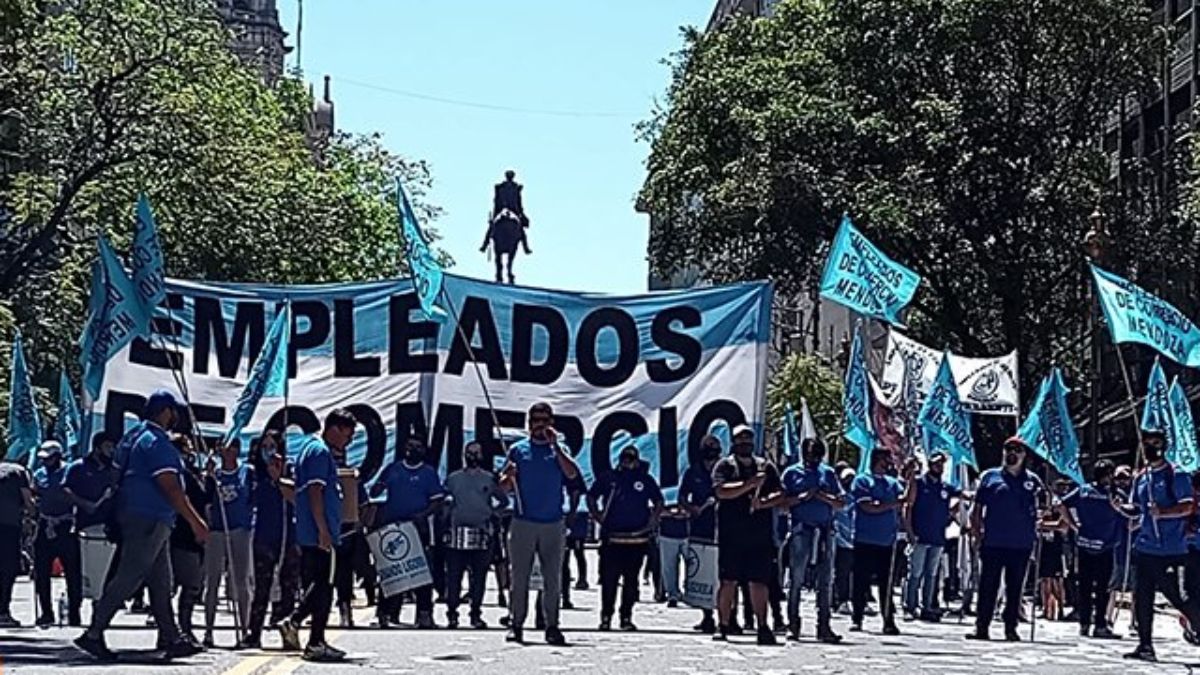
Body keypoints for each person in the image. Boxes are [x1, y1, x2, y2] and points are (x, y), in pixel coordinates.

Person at [74, 389, 209, 661]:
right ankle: (93, 632)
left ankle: (172, 638)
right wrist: (196, 522)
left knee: (162, 582)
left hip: (141, 515)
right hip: (150, 518)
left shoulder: (132, 439)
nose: (176, 417)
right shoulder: (156, 442)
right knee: (129, 575)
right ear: (165, 412)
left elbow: (115, 476)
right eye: (173, 411)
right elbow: (170, 487)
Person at [498, 402, 580, 646]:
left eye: (544, 420)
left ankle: (551, 625)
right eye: (536, 420)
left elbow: (572, 474)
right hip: (524, 521)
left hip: (553, 522)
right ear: (529, 423)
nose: (540, 425)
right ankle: (516, 624)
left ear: (551, 422)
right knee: (519, 577)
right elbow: (502, 487)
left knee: (552, 578)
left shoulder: (559, 449)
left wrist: (555, 445)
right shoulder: (518, 450)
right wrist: (508, 477)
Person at [278, 408, 357, 662]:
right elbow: (314, 492)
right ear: (334, 429)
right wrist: (323, 529)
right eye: (347, 434)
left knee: (320, 584)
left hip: (314, 531)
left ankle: (302, 628)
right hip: (317, 533)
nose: (348, 441)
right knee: (324, 585)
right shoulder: (319, 452)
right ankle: (311, 637)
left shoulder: (312, 450)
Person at [1124, 429, 1200, 662]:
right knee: (1142, 597)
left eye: (1155, 443)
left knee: (1178, 597)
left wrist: (1164, 513)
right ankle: (1145, 645)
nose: (1151, 447)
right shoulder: (1141, 477)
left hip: (1171, 550)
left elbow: (1187, 507)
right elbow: (1137, 508)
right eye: (1147, 443)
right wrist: (1121, 509)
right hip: (1145, 547)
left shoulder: (1175, 475)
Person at [712, 424, 784, 646]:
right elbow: (721, 491)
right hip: (731, 535)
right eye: (740, 439)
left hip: (758, 537)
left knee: (758, 582)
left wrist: (763, 502)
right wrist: (748, 485)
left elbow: (780, 493)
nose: (744, 443)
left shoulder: (765, 467)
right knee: (728, 581)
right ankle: (722, 624)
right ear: (733, 443)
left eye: (748, 439)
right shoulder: (724, 466)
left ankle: (763, 626)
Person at [967, 437, 1043, 642]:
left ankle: (1011, 627)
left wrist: (1040, 521)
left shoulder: (1033, 481)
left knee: (1015, 588)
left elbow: (1042, 507)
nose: (1012, 453)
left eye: (1017, 450)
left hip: (1021, 543)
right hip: (993, 541)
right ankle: (981, 626)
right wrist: (976, 532)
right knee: (988, 586)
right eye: (1008, 449)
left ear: (1024, 455)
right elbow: (977, 508)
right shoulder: (990, 477)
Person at [369, 437, 445, 628]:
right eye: (410, 446)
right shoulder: (393, 469)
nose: (413, 449)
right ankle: (387, 614)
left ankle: (424, 614)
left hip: (417, 529)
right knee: (392, 573)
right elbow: (375, 493)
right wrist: (379, 486)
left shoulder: (428, 473)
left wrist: (423, 515)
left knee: (421, 572)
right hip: (393, 528)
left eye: (417, 447)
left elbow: (437, 501)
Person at [588, 443, 663, 631]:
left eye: (632, 458)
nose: (628, 461)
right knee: (609, 580)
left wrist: (653, 520)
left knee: (631, 581)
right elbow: (591, 496)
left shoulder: (645, 479)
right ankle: (606, 616)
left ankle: (626, 617)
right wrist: (597, 515)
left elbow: (658, 500)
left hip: (637, 538)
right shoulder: (609, 478)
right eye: (625, 457)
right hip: (612, 538)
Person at [780, 437, 845, 643]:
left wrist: (823, 496)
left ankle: (824, 625)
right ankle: (793, 623)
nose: (813, 459)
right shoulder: (792, 473)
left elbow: (840, 503)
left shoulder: (828, 473)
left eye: (817, 455)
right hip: (802, 530)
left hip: (825, 531)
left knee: (825, 581)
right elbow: (782, 503)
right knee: (797, 579)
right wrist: (803, 497)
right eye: (810, 455)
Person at [1059, 459, 1128, 639]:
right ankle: (1099, 625)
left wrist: (1073, 525)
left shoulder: (1083, 490)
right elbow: (1130, 512)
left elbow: (1060, 504)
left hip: (1085, 544)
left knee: (1085, 586)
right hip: (1105, 546)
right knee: (1102, 588)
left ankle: (1084, 624)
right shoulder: (1114, 495)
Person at [444, 441, 506, 629]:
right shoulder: (453, 478)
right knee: (454, 576)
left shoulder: (489, 479)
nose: (473, 456)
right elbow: (445, 501)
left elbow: (503, 500)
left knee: (479, 577)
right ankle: (452, 613)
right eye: (469, 452)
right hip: (457, 533)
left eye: (476, 453)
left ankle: (475, 614)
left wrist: (494, 513)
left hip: (482, 532)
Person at [245, 430, 298, 648]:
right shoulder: (254, 473)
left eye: (272, 446)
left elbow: (296, 497)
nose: (268, 451)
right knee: (261, 588)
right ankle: (253, 633)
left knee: (289, 587)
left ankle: (287, 632)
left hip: (288, 536)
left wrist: (280, 479)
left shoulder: (290, 470)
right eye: (264, 447)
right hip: (264, 536)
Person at [203, 438, 255, 647]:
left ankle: (245, 629)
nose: (230, 451)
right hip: (217, 530)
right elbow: (206, 502)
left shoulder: (247, 473)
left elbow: (252, 499)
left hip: (239, 530)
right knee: (212, 580)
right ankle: (208, 631)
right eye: (225, 447)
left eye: (234, 447)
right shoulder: (213, 475)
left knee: (241, 581)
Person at [903, 451, 961, 623]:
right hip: (920, 536)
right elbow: (908, 506)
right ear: (929, 464)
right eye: (936, 463)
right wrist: (910, 532)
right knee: (915, 573)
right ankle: (910, 606)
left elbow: (961, 496)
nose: (940, 466)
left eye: (942, 463)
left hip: (937, 537)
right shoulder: (919, 483)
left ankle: (927, 606)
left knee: (932, 574)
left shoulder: (945, 487)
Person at [850, 449, 904, 636]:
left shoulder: (893, 483)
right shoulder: (862, 480)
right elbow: (868, 507)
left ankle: (888, 619)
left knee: (886, 583)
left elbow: (907, 500)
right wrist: (891, 504)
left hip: (886, 541)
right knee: (861, 581)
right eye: (886, 459)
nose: (888, 462)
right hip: (865, 539)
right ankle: (857, 617)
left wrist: (911, 477)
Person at [31, 440, 82, 627]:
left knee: (72, 572)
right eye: (43, 459)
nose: (45, 462)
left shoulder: (70, 471)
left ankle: (75, 612)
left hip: (66, 525)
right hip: (46, 525)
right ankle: (46, 612)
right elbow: (35, 493)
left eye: (49, 459)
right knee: (41, 572)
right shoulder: (39, 474)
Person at [169, 434, 207, 648]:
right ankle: (181, 629)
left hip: (191, 537)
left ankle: (181, 628)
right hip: (182, 534)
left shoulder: (191, 473)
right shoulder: (178, 474)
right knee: (188, 584)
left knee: (191, 584)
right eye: (186, 448)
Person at [679, 434, 721, 634]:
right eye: (707, 445)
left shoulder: (726, 469)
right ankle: (707, 615)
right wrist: (691, 508)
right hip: (699, 527)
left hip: (724, 526)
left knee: (724, 574)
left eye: (714, 445)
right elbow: (681, 495)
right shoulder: (693, 471)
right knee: (704, 571)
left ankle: (728, 617)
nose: (711, 448)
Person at [0, 455, 35, 627]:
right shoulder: (18, 471)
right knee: (8, 569)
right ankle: (3, 611)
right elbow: (28, 500)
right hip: (8, 525)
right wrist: (33, 514)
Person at [657, 498, 689, 608]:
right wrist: (668, 513)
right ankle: (672, 595)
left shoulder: (689, 481)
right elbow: (651, 506)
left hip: (690, 532)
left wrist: (688, 511)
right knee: (668, 567)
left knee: (693, 567)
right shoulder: (659, 481)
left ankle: (691, 593)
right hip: (667, 532)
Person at [833, 467, 856, 614]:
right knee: (841, 572)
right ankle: (839, 600)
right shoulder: (838, 496)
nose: (850, 481)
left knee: (853, 573)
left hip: (855, 540)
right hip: (839, 540)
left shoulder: (855, 497)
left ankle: (854, 599)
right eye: (847, 478)